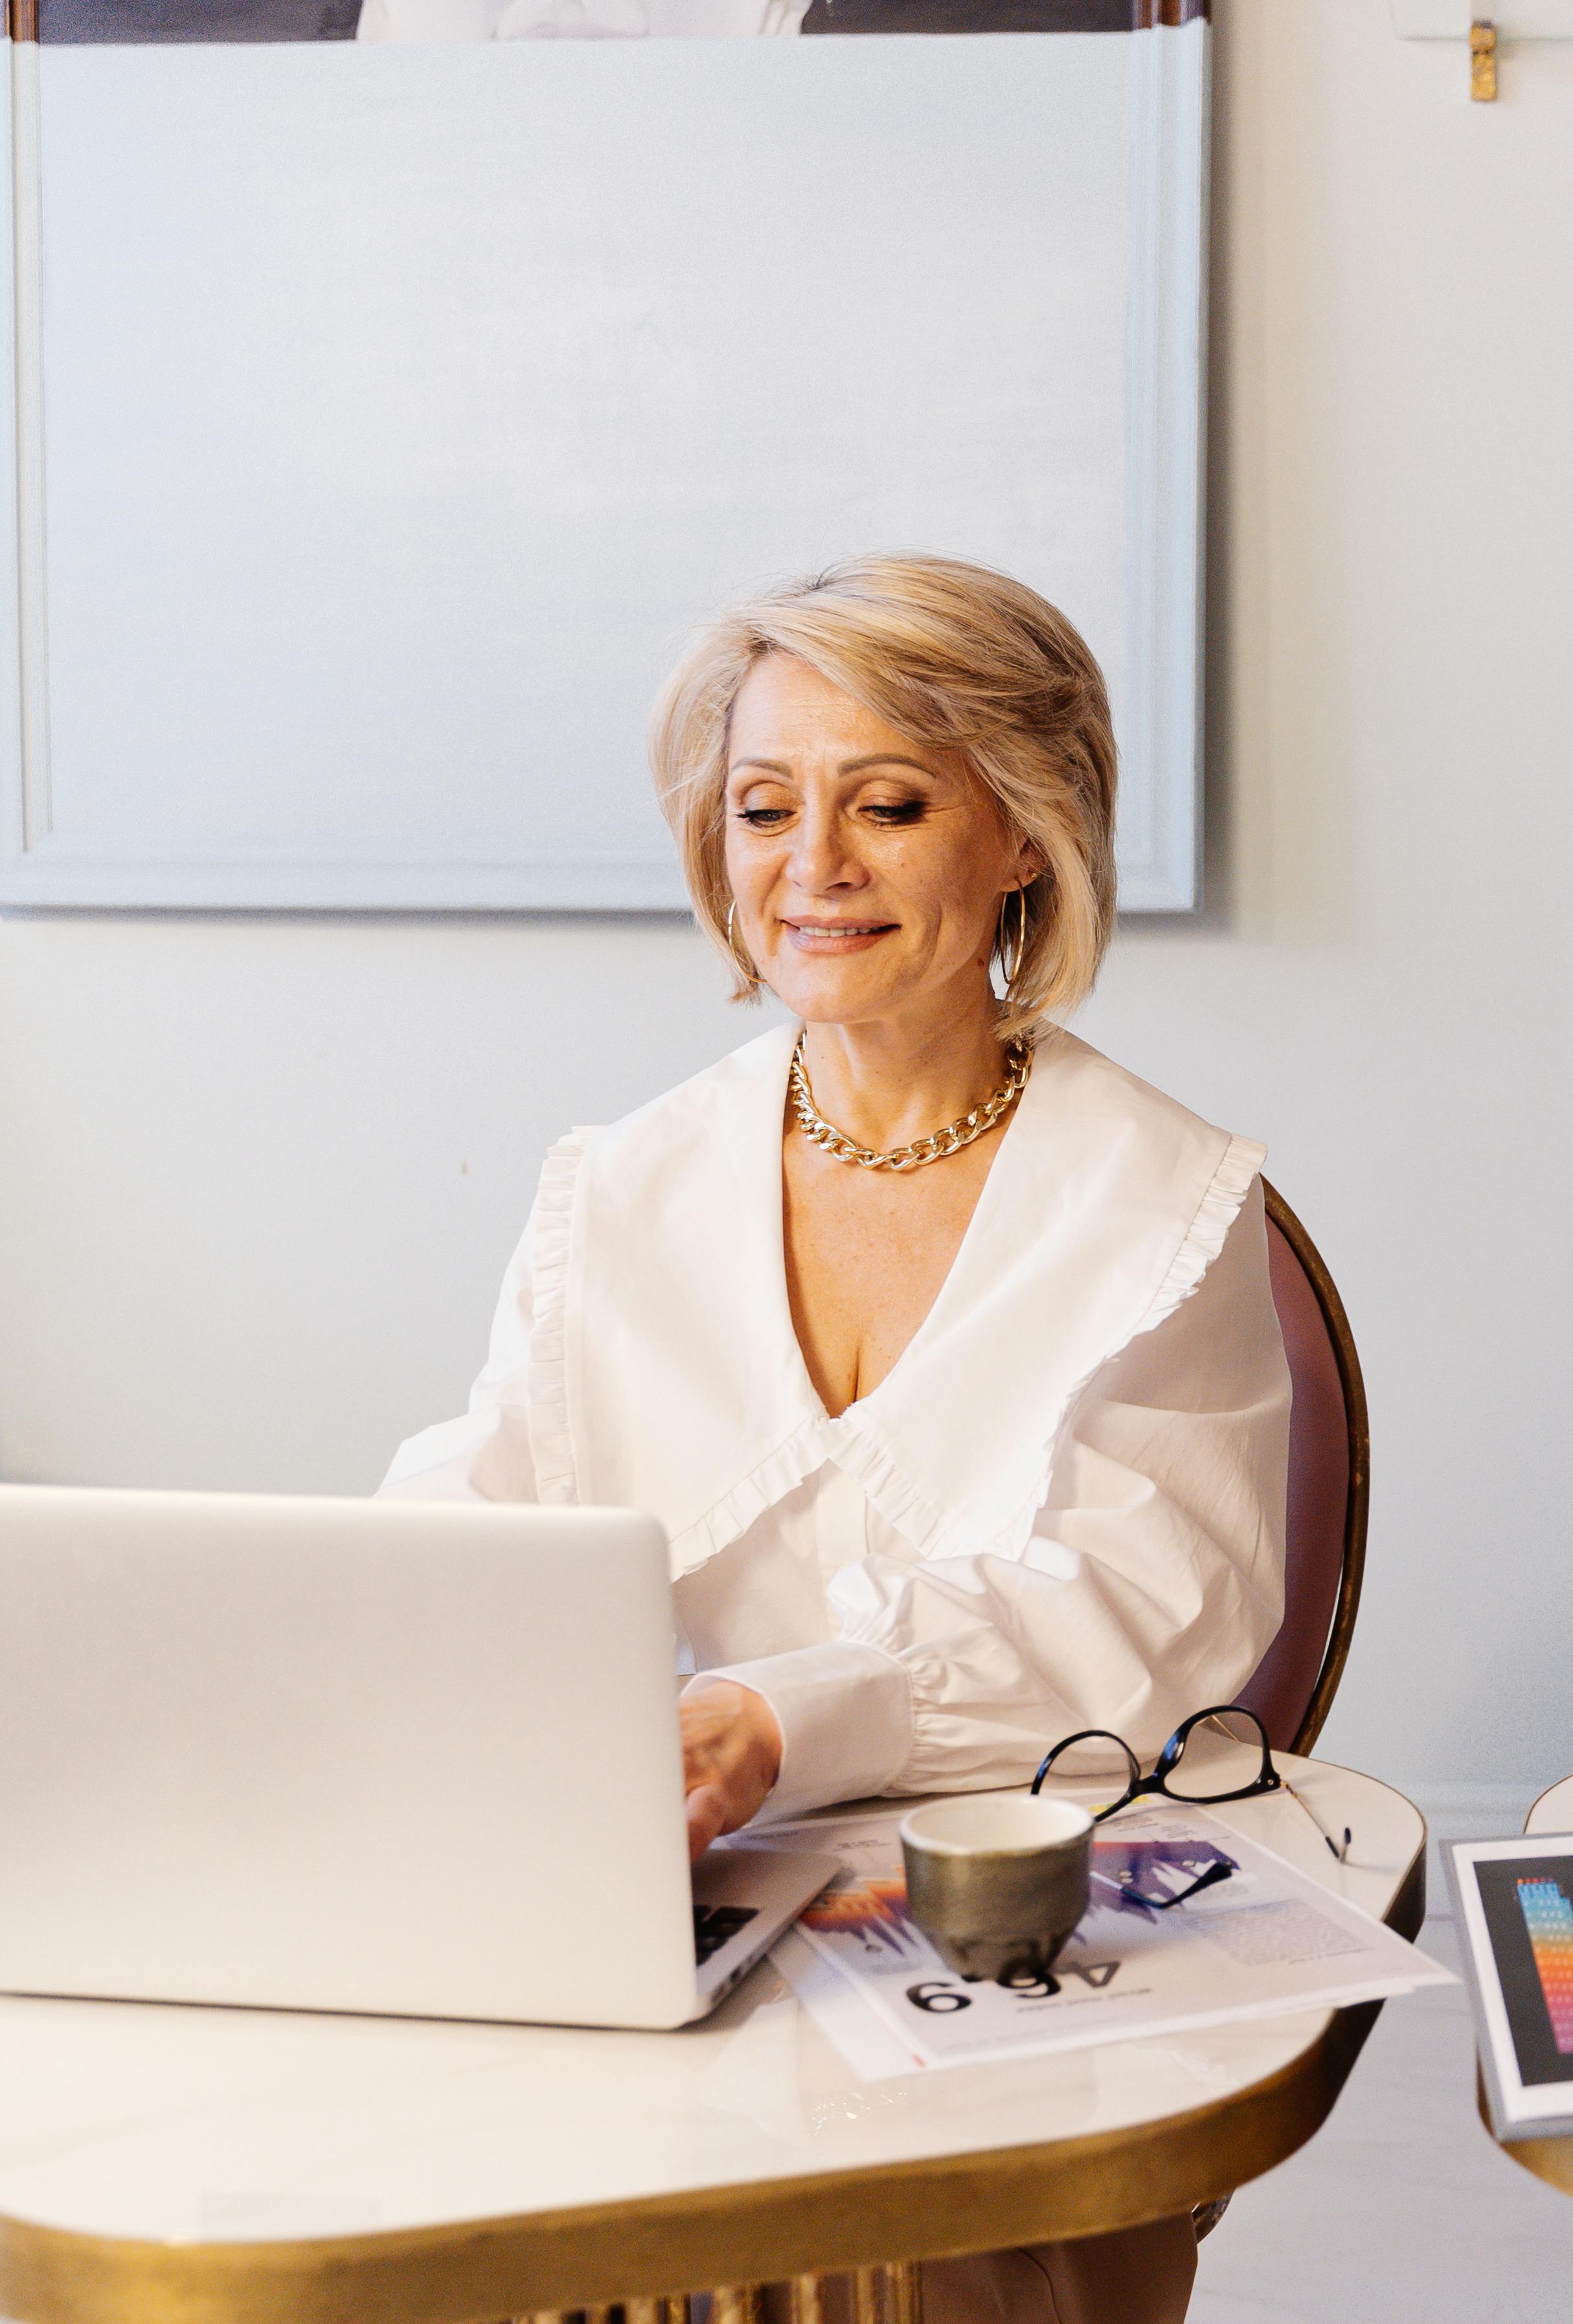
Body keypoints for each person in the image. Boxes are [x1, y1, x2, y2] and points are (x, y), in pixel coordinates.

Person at [383, 554, 1286, 2324]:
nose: (814, 865)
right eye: (764, 806)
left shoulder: (1168, 1201)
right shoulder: (616, 1184)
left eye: (887, 802)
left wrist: (772, 1715)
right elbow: (479, 1511)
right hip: (654, 1917)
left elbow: (1132, 1635)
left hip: (1012, 1956)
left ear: (1024, 833)